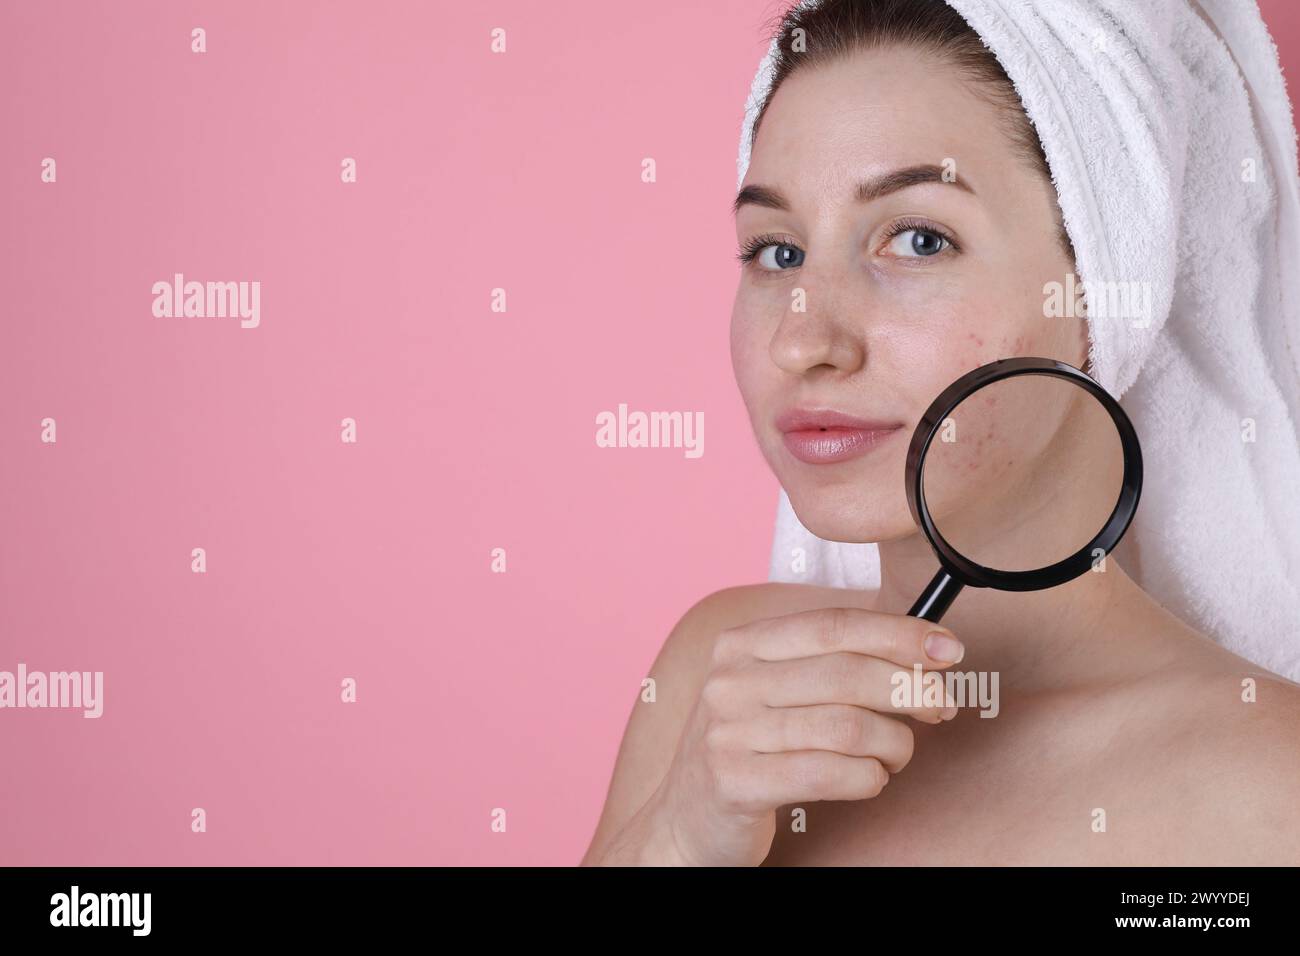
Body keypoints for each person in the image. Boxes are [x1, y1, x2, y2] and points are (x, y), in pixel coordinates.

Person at [581, 0, 1300, 866]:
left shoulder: (1267, 789)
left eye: (919, 239)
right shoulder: (721, 681)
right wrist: (673, 838)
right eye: (777, 251)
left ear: (1105, 287)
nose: (803, 341)